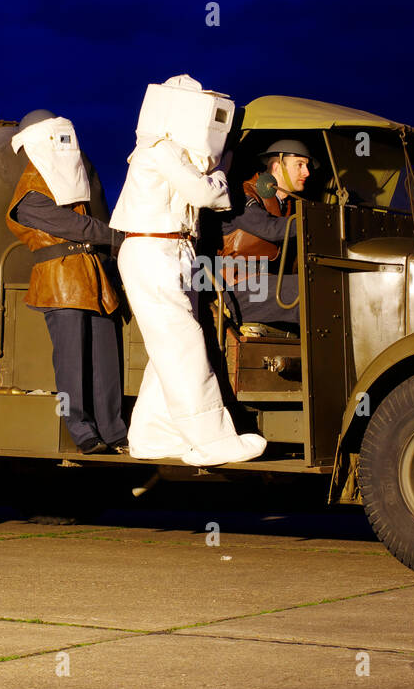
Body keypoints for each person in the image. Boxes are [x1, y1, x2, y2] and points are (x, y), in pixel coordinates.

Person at [109, 75, 267, 466]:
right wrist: (222, 170)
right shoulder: (160, 149)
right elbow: (207, 193)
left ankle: (151, 437)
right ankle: (213, 441)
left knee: (170, 349)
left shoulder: (170, 151)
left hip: (172, 250)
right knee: (184, 345)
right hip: (153, 249)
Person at [5, 109, 128, 455]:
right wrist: (113, 236)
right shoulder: (31, 187)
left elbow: (95, 217)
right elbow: (74, 225)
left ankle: (114, 429)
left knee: (106, 359)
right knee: (72, 361)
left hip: (94, 275)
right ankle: (81, 429)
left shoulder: (79, 177)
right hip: (60, 277)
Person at [216, 139, 312, 325]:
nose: (306, 173)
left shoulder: (288, 206)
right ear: (276, 167)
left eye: (306, 166)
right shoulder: (241, 196)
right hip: (235, 289)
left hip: (263, 285)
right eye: (299, 165)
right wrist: (315, 221)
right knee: (308, 289)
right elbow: (271, 229)